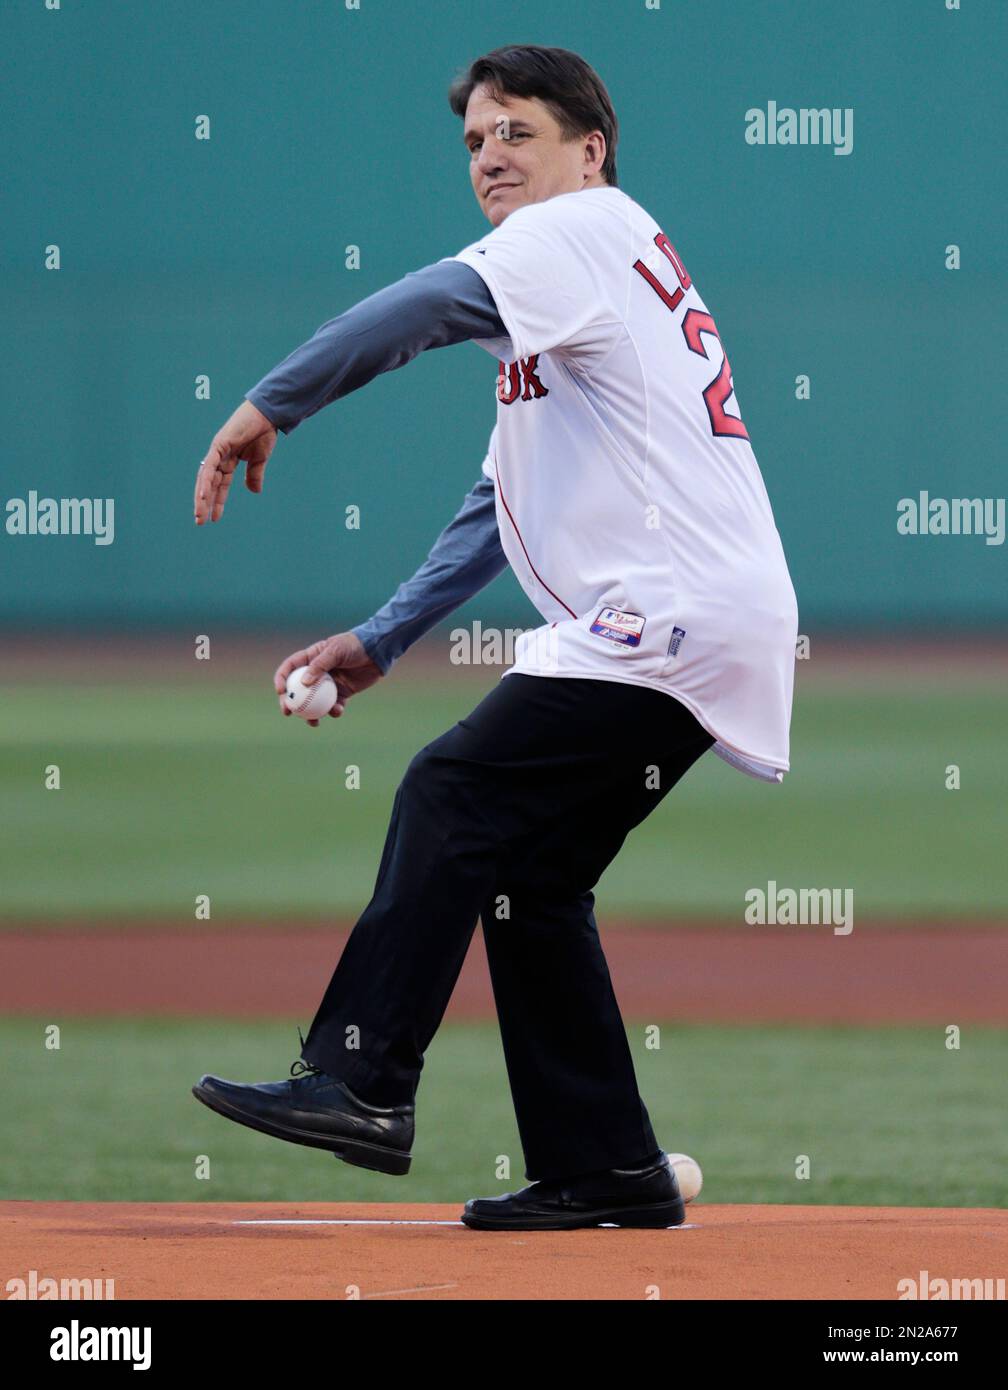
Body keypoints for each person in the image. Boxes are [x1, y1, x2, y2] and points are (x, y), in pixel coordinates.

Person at [191, 45, 798, 1231]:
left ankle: (360, 1076)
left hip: (665, 609)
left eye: (514, 131)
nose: (488, 157)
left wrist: (273, 400)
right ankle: (604, 1164)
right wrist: (382, 637)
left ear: (590, 147)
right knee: (531, 875)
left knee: (454, 790)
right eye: (474, 141)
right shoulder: (596, 269)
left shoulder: (576, 233)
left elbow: (414, 309)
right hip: (702, 612)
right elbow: (496, 505)